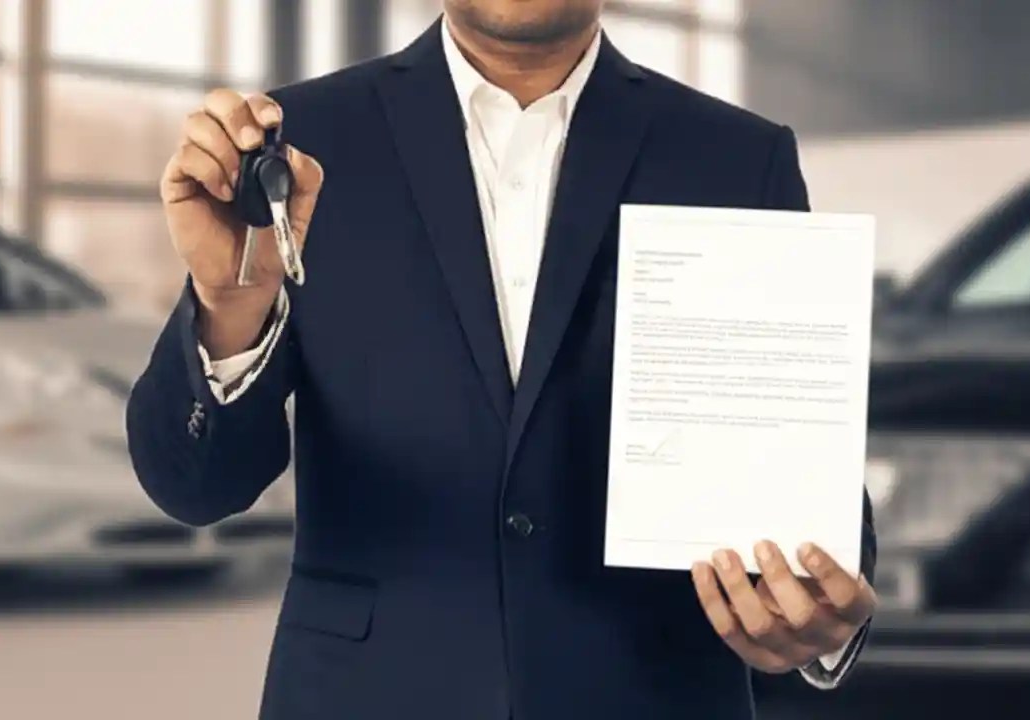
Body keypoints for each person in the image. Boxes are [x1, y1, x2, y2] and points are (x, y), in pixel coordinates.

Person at [127, 1, 878, 718]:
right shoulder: (296, 149)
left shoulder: (736, 158)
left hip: (650, 696)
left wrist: (818, 612)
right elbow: (195, 488)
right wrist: (230, 305)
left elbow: (797, 463)